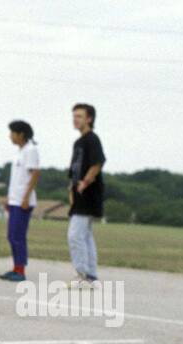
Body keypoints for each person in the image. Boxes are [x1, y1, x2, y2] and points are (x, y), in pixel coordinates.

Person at [68, 103, 106, 287]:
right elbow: (74, 169)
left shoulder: (92, 139)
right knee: (85, 236)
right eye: (74, 116)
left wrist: (85, 182)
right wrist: (72, 189)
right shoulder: (78, 142)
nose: (75, 119)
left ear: (89, 119)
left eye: (79, 116)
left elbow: (98, 163)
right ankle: (91, 276)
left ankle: (82, 275)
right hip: (79, 194)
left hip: (89, 193)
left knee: (75, 235)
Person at [0, 120, 40, 282]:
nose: (10, 136)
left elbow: (35, 174)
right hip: (14, 200)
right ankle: (16, 268)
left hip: (23, 201)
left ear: (21, 134)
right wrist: (9, 198)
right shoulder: (19, 152)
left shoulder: (31, 150)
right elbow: (17, 178)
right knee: (11, 236)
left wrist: (25, 197)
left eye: (12, 133)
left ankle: (21, 271)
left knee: (18, 236)